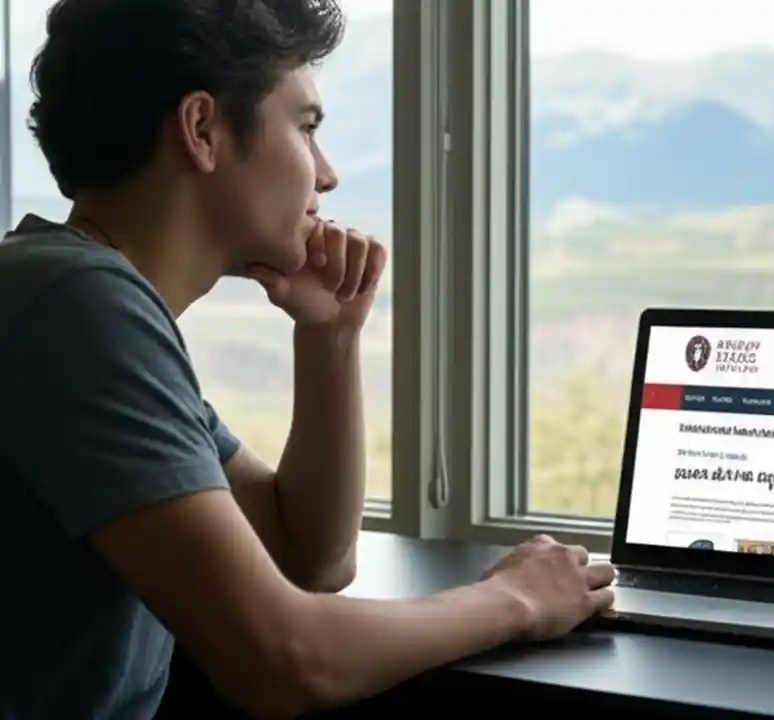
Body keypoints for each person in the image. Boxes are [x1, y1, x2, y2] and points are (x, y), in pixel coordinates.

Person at [0, 1, 615, 717]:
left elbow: (311, 558)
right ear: (202, 130)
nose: (326, 175)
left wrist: (330, 338)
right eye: (307, 128)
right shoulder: (74, 304)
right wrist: (517, 597)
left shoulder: (68, 292)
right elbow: (285, 660)